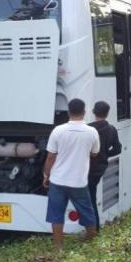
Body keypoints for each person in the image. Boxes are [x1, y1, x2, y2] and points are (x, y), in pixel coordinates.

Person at [43, 99, 100, 250]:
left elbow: (50, 157)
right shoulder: (92, 132)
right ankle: (91, 241)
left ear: (68, 112)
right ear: (84, 112)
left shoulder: (58, 130)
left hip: (58, 180)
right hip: (79, 182)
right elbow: (94, 153)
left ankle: (58, 247)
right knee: (87, 211)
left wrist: (46, 176)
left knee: (56, 214)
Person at [87, 101, 122, 232]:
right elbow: (118, 149)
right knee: (91, 195)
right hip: (100, 168)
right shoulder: (112, 129)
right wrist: (106, 154)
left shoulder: (88, 129)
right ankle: (94, 227)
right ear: (107, 114)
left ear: (93, 112)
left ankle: (94, 228)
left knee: (89, 198)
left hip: (87, 168)